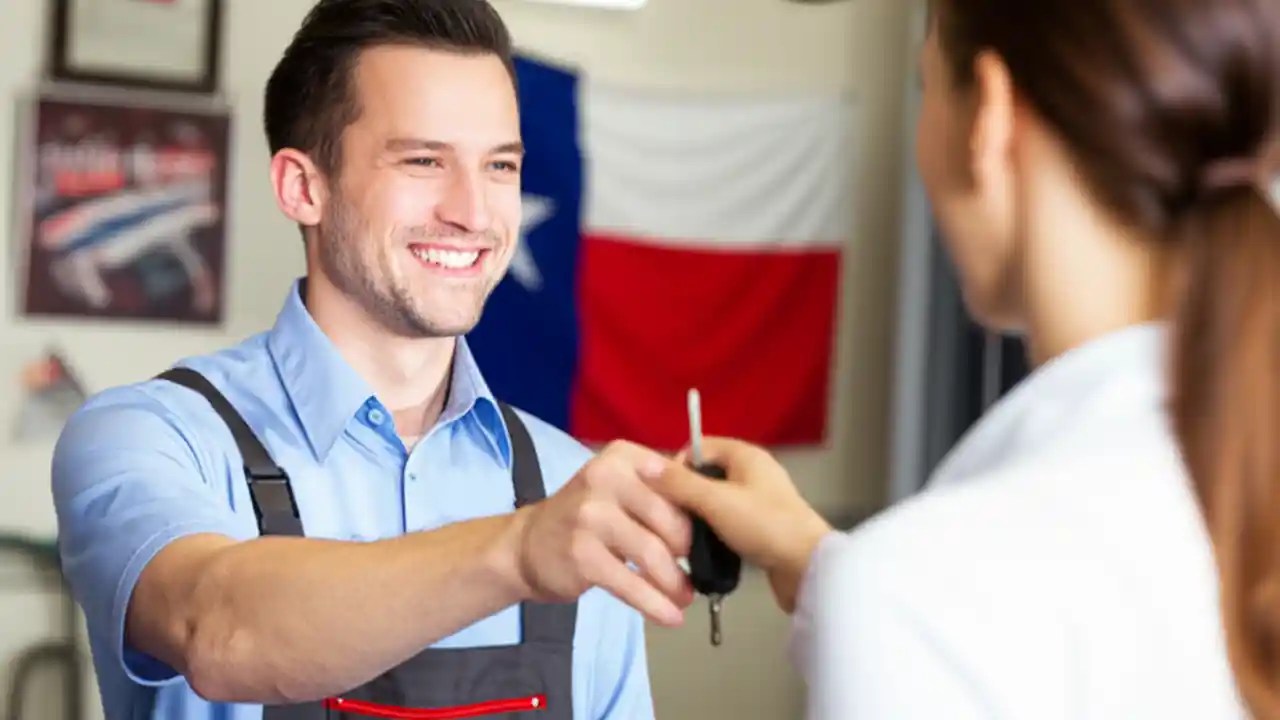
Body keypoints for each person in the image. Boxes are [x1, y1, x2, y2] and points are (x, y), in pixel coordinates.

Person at [49, 1, 696, 718]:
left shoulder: (567, 484)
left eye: (500, 165)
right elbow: (218, 630)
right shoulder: (151, 437)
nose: (474, 213)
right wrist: (517, 555)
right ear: (303, 188)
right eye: (424, 161)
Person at [648, 0, 1280, 717]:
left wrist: (873, 597)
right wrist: (820, 565)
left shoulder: (921, 590)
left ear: (990, 116)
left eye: (927, 86)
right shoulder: (1213, 487)